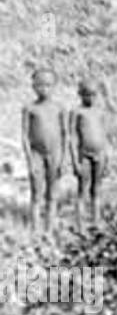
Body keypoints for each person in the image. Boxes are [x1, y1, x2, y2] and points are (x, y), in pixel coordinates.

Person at [21, 69, 64, 231]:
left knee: (52, 193)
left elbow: (65, 134)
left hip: (55, 154)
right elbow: (25, 135)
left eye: (48, 85)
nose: (44, 89)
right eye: (40, 85)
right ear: (33, 86)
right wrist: (30, 159)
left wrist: (63, 158)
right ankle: (35, 228)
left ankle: (50, 228)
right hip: (36, 154)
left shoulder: (59, 108)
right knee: (36, 192)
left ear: (54, 87)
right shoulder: (30, 108)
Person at [68, 79, 109, 226]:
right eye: (87, 95)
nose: (90, 98)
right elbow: (72, 137)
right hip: (84, 155)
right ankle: (80, 224)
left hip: (100, 154)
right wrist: (74, 160)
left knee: (96, 189)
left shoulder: (100, 112)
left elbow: (104, 134)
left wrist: (107, 157)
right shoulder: (77, 112)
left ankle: (96, 221)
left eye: (93, 95)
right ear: (81, 95)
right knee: (82, 189)